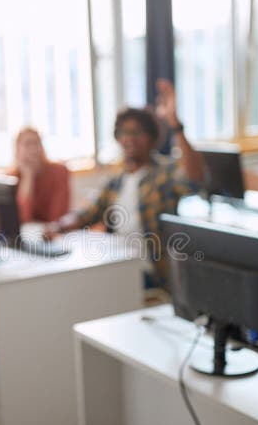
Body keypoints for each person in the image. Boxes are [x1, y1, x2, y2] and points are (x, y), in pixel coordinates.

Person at [47, 79, 205, 289]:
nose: (129, 139)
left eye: (136, 132)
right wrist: (58, 226)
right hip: (118, 268)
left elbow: (195, 180)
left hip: (152, 273)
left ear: (151, 137)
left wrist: (175, 124)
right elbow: (86, 212)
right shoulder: (116, 180)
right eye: (123, 132)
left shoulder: (163, 174)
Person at [11, 127, 70, 223]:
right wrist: (28, 177)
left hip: (53, 234)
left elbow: (58, 217)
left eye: (37, 143)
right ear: (17, 149)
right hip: (26, 236)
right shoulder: (11, 177)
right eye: (27, 144)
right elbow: (21, 220)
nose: (33, 149)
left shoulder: (59, 172)